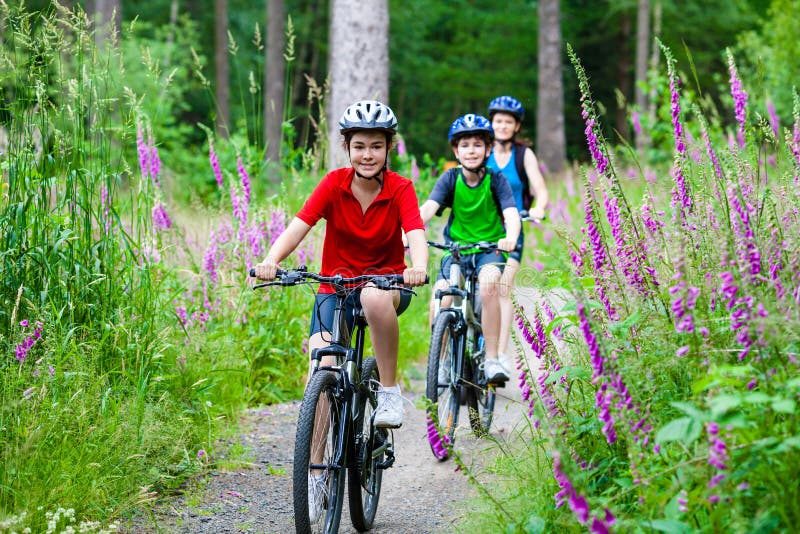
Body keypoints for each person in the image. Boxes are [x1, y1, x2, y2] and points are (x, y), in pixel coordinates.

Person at [253, 99, 428, 522]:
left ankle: (388, 392)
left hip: (388, 286)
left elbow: (416, 231)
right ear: (347, 147)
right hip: (335, 287)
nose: (368, 154)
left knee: (371, 296)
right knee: (323, 365)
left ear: (388, 148)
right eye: (359, 146)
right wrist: (271, 260)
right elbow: (299, 226)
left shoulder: (401, 188)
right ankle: (317, 473)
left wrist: (418, 267)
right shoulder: (333, 184)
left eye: (376, 146)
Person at [419, 114, 521, 383]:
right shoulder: (450, 178)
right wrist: (409, 232)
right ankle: (441, 360)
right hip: (456, 251)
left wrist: (510, 237)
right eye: (465, 145)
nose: (471, 151)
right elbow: (428, 209)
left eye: (478, 145)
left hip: (490, 250)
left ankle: (492, 358)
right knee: (441, 296)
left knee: (488, 286)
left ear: (488, 149)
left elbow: (511, 214)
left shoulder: (496, 180)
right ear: (456, 150)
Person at [486, 95, 549, 368]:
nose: (502, 126)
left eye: (508, 122)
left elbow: (540, 190)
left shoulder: (524, 155)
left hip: (512, 231)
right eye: (498, 121)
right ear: (491, 123)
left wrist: (538, 208)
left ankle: (499, 355)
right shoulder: (481, 150)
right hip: (482, 229)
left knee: (503, 288)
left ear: (517, 126)